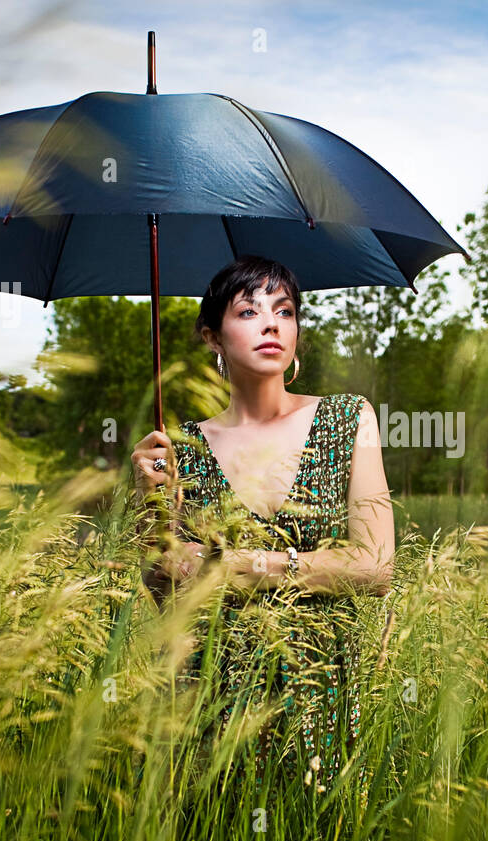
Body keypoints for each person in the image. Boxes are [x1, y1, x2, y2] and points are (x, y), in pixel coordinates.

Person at [131, 254, 394, 794]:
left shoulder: (347, 419)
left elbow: (375, 567)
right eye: (248, 311)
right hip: (209, 697)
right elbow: (170, 593)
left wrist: (247, 566)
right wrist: (149, 511)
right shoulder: (177, 448)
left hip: (321, 691)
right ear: (212, 337)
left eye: (285, 310)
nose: (272, 323)